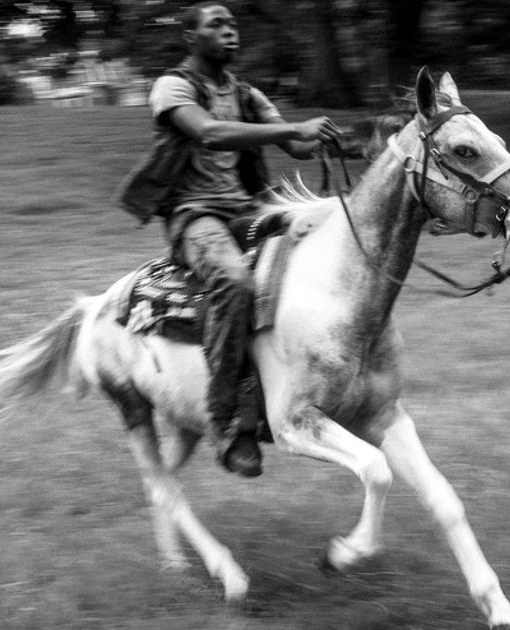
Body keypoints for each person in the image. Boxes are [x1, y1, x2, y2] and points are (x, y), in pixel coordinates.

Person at [116, 2, 343, 477]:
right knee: (234, 280)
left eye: (233, 24)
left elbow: (298, 146)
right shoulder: (172, 87)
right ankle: (225, 423)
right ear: (190, 37)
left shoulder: (247, 93)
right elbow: (210, 133)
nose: (229, 32)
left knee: (329, 235)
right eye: (216, 25)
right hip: (194, 218)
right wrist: (293, 128)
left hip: (246, 211)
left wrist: (345, 138)